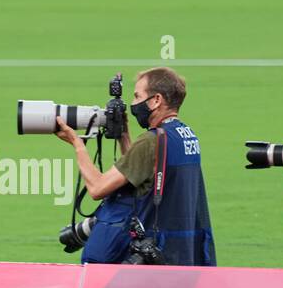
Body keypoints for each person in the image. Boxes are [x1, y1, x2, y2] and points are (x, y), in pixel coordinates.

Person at [54, 66, 215, 266]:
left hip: (152, 255)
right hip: (177, 250)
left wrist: (77, 144)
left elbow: (97, 188)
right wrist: (124, 136)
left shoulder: (151, 141)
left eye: (138, 96)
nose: (133, 103)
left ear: (156, 100)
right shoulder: (185, 135)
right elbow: (145, 172)